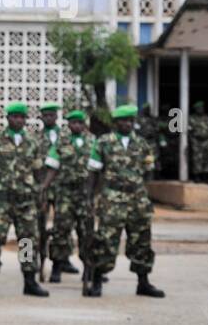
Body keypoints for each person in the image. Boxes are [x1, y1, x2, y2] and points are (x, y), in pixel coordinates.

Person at [83, 104, 165, 298]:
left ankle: (143, 283)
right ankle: (96, 281)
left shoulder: (143, 144)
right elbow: (93, 173)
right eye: (123, 121)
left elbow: (149, 170)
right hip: (112, 199)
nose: (128, 124)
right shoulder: (104, 142)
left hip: (138, 199)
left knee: (142, 240)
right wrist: (88, 198)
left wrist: (142, 190)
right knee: (106, 240)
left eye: (130, 120)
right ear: (116, 123)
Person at [0, 102, 50, 298]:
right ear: (8, 119)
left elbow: (39, 171)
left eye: (22, 117)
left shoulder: (32, 141)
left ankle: (29, 281)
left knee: (27, 240)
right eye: (14, 117)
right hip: (0, 199)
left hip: (26, 199)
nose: (18, 120)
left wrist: (42, 195)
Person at [41, 109, 91, 282]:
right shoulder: (61, 143)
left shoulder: (93, 142)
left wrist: (97, 193)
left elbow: (100, 169)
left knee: (86, 231)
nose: (76, 125)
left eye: (79, 122)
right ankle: (57, 266)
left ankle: (89, 268)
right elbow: (52, 167)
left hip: (85, 193)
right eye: (72, 123)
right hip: (65, 193)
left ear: (84, 124)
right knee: (61, 230)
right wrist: (44, 188)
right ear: (68, 125)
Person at [189, 100, 208, 181]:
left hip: (207, 141)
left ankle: (206, 176)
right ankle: (197, 176)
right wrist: (193, 141)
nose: (200, 109)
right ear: (196, 109)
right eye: (198, 108)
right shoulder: (192, 118)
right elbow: (189, 132)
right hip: (196, 142)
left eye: (201, 108)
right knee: (197, 159)